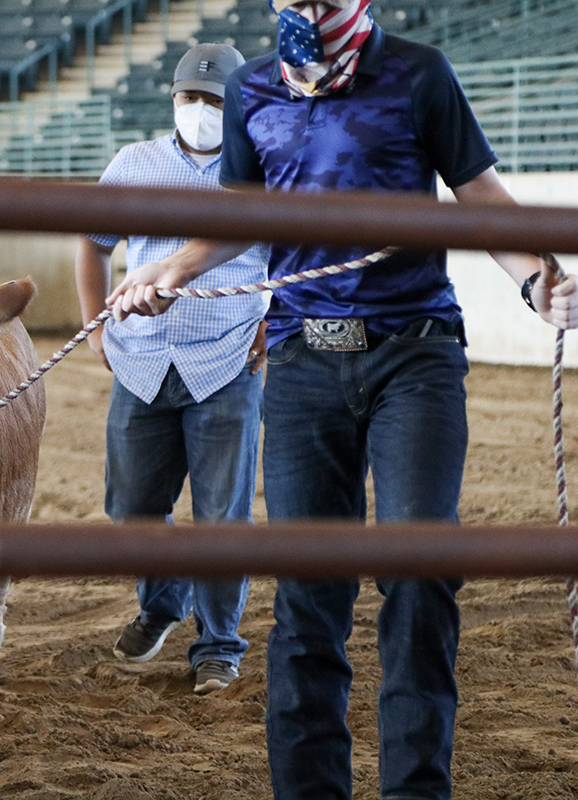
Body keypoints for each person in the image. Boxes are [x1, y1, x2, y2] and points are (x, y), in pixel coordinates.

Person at [107, 2, 578, 798]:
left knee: (420, 576)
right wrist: (175, 268)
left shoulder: (419, 74)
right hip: (300, 364)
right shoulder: (255, 90)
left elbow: (481, 195)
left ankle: (415, 789)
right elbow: (243, 215)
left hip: (416, 356)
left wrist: (536, 278)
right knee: (309, 590)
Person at [75, 43, 271, 695]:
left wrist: (279, 315)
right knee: (131, 503)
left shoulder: (261, 169)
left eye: (214, 100)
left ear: (238, 104)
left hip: (227, 357)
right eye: (191, 97)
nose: (201, 109)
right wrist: (94, 322)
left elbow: (299, 249)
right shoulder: (134, 164)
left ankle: (218, 644)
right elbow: (95, 243)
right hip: (142, 358)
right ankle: (163, 601)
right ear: (173, 99)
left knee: (222, 516)